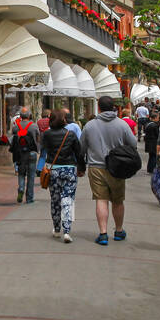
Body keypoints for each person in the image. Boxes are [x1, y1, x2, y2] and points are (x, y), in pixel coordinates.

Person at [80, 95, 140, 245]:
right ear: (113, 106)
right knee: (118, 200)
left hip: (96, 167)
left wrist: (80, 164)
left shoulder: (90, 125)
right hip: (117, 167)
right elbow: (133, 144)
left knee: (101, 199)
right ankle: (119, 231)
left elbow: (81, 148)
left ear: (99, 107)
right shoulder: (122, 125)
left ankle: (103, 233)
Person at [40, 110, 83, 243]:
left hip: (53, 170)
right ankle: (67, 231)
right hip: (69, 169)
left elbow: (43, 151)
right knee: (68, 199)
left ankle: (57, 229)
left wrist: (40, 167)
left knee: (55, 200)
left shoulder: (46, 134)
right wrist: (82, 168)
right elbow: (79, 153)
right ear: (64, 120)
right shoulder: (70, 135)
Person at [10, 106, 40, 204]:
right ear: (29, 115)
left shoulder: (16, 127)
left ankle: (21, 188)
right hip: (31, 153)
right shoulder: (34, 126)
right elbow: (38, 139)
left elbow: (13, 137)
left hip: (20, 154)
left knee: (21, 173)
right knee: (31, 176)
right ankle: (29, 198)